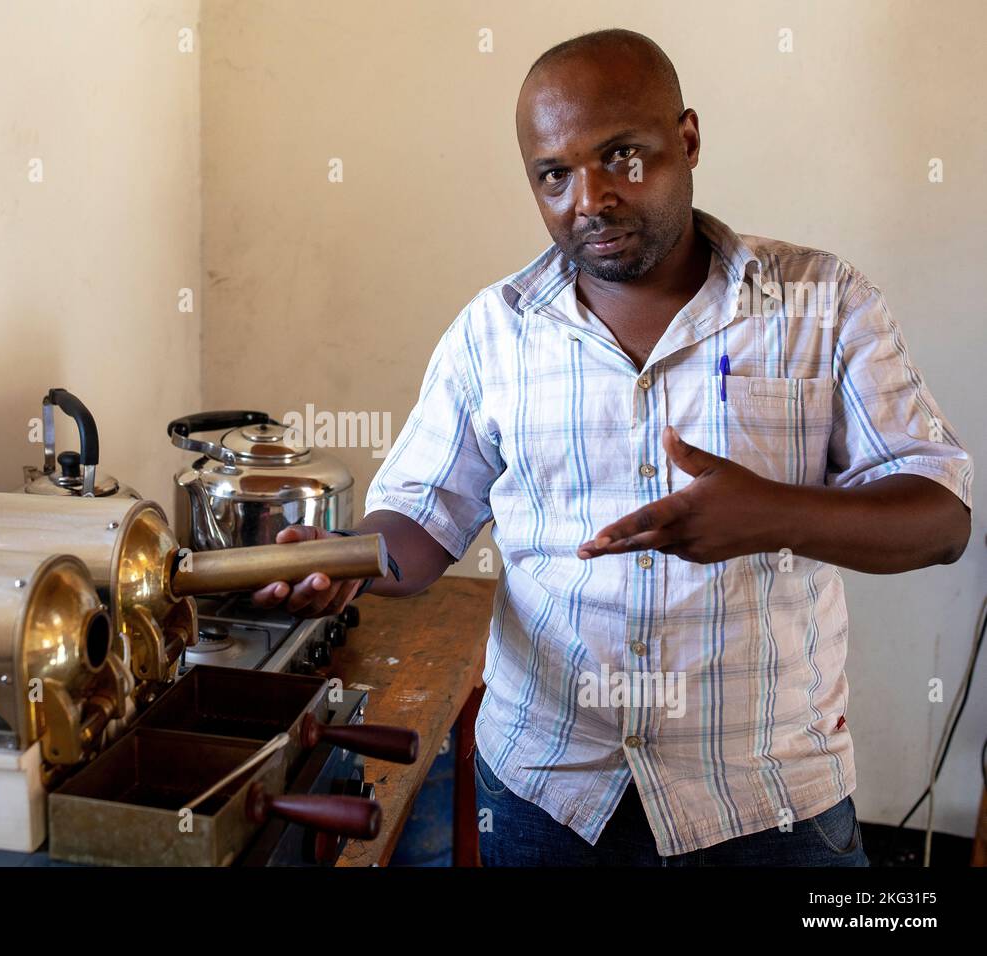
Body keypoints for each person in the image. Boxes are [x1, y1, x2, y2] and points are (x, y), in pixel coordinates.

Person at [251, 28, 973, 866]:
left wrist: (772, 515)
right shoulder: (495, 331)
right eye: (554, 174)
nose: (589, 198)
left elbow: (940, 516)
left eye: (621, 156)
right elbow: (421, 521)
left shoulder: (821, 303)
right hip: (545, 793)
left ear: (688, 140)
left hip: (769, 803)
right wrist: (345, 563)